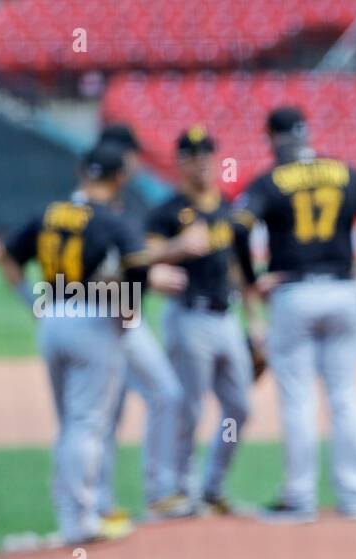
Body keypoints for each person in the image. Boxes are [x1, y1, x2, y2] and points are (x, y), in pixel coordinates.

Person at [0, 143, 188, 545]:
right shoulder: (111, 220)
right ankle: (83, 519)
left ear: (84, 173)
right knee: (88, 424)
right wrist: (127, 312)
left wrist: (32, 302)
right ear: (120, 177)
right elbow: (137, 267)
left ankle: (70, 515)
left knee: (70, 424)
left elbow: (7, 257)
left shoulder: (50, 212)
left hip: (52, 317)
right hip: (93, 322)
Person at [232, 106, 356, 521]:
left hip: (293, 291)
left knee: (297, 399)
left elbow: (236, 228)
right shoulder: (344, 172)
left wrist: (256, 278)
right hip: (344, 291)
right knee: (345, 395)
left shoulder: (271, 179)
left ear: (274, 137)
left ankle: (301, 498)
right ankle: (353, 497)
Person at [92, 122, 204, 526]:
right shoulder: (99, 207)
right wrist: (159, 267)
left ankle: (136, 497)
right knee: (137, 402)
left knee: (137, 402)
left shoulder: (117, 202)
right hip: (105, 317)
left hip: (120, 315)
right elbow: (92, 270)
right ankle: (115, 502)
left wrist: (147, 272)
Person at [145, 126, 253, 514]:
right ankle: (180, 490)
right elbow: (146, 263)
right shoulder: (167, 211)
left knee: (239, 407)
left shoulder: (228, 206)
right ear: (179, 162)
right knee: (189, 408)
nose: (202, 161)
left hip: (226, 318)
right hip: (188, 317)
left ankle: (213, 487)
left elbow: (241, 267)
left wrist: (254, 321)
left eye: (207, 153)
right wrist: (179, 247)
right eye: (192, 155)